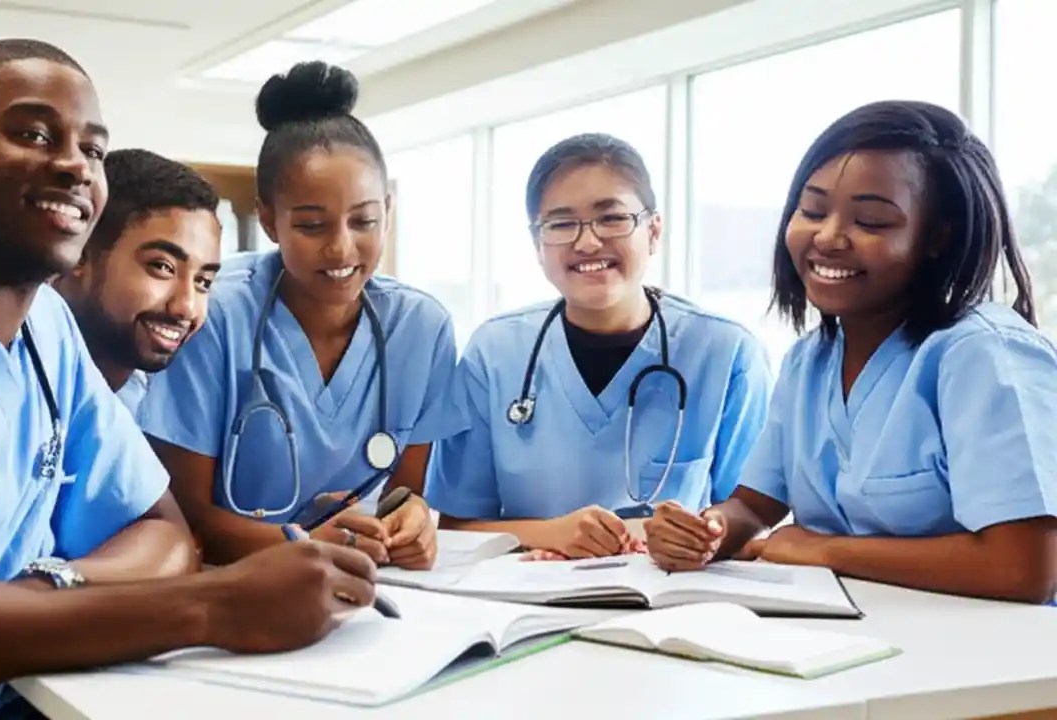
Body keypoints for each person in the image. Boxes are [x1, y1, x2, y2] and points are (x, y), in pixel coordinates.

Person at [0, 39, 376, 718]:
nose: (73, 165)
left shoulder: (48, 335)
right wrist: (213, 608)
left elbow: (167, 535)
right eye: (33, 133)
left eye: (92, 149)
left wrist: (44, 586)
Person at [644, 100, 1057, 605]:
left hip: (997, 667)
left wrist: (824, 550)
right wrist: (703, 531)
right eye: (812, 210)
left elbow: (1023, 569)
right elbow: (753, 508)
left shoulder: (982, 355)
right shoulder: (807, 362)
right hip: (857, 643)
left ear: (937, 237)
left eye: (872, 221)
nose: (829, 237)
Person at [138, 61, 457, 570]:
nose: (341, 248)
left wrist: (412, 521)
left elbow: (405, 494)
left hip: (374, 589)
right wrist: (303, 545)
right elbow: (183, 516)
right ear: (268, 219)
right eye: (311, 225)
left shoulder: (421, 328)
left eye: (364, 221)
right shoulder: (214, 314)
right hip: (238, 584)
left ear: (388, 211)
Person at [424, 133, 774, 560]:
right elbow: (459, 524)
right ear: (538, 245)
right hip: (526, 596)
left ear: (653, 231)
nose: (588, 242)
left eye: (611, 219)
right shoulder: (494, 352)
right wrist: (551, 534)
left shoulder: (726, 353)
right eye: (561, 223)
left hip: (672, 602)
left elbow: (749, 518)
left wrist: (700, 538)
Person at [54, 148, 222, 411]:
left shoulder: (140, 401)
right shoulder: (12, 377)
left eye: (204, 282)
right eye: (162, 267)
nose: (186, 307)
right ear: (78, 255)